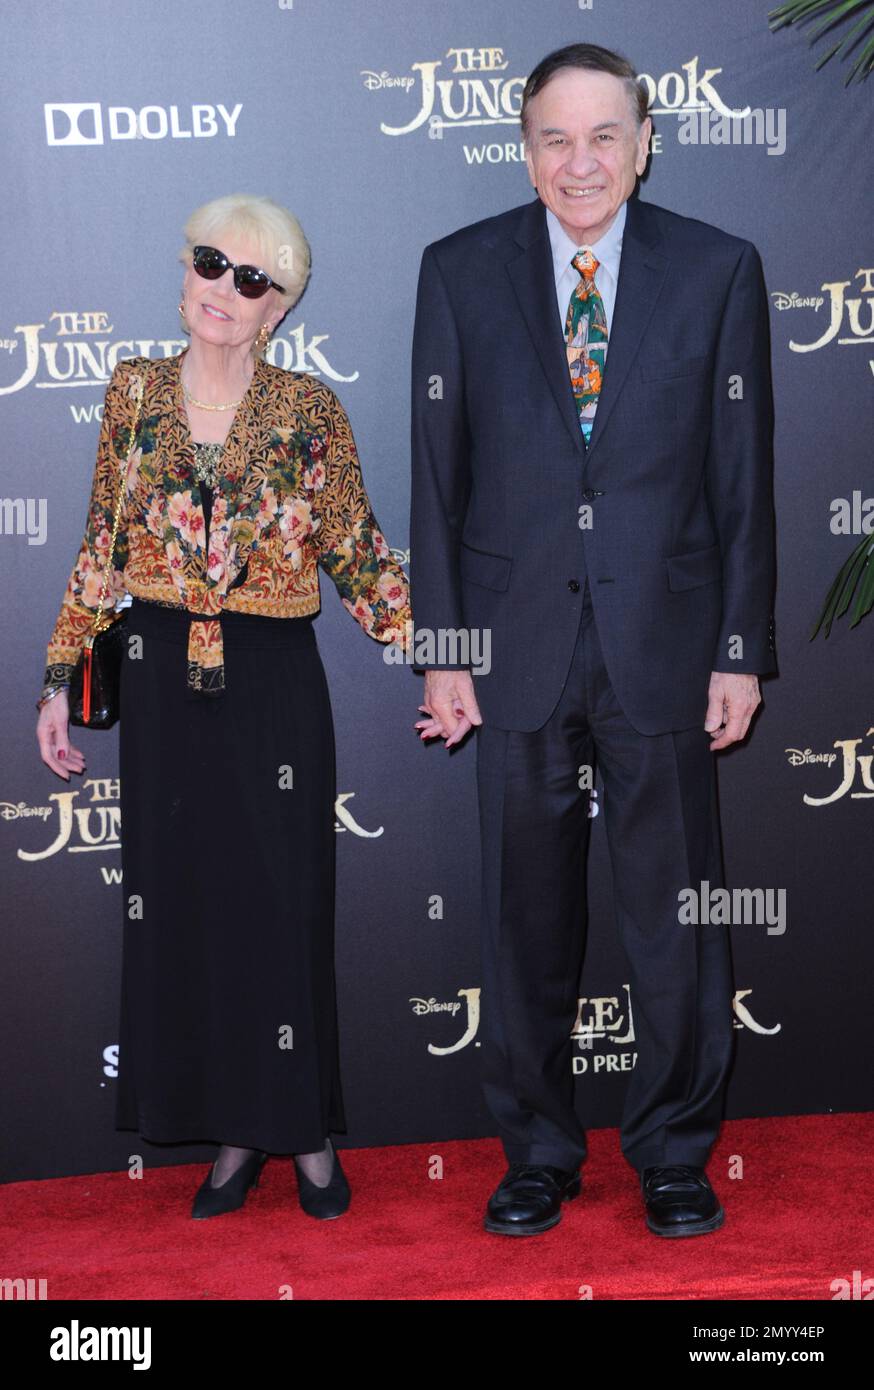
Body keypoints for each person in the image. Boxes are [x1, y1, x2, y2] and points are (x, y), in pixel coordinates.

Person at [410, 43, 776, 1238]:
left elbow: (742, 479)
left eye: (604, 136)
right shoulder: (456, 270)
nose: (581, 163)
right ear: (523, 150)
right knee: (525, 919)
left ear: (645, 142)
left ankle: (672, 1150)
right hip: (512, 645)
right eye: (555, 139)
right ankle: (537, 1153)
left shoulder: (718, 269)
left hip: (664, 642)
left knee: (676, 917)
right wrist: (445, 647)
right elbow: (438, 480)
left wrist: (738, 646)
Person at [37, 193, 411, 1220]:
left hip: (272, 684)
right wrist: (61, 675)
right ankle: (236, 1135)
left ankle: (307, 1133)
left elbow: (357, 547)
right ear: (186, 269)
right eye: (212, 263)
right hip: (158, 677)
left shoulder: (309, 410)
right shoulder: (133, 392)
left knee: (280, 913)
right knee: (186, 915)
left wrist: (438, 651)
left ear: (278, 307)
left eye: (253, 279)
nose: (224, 289)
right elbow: (101, 543)